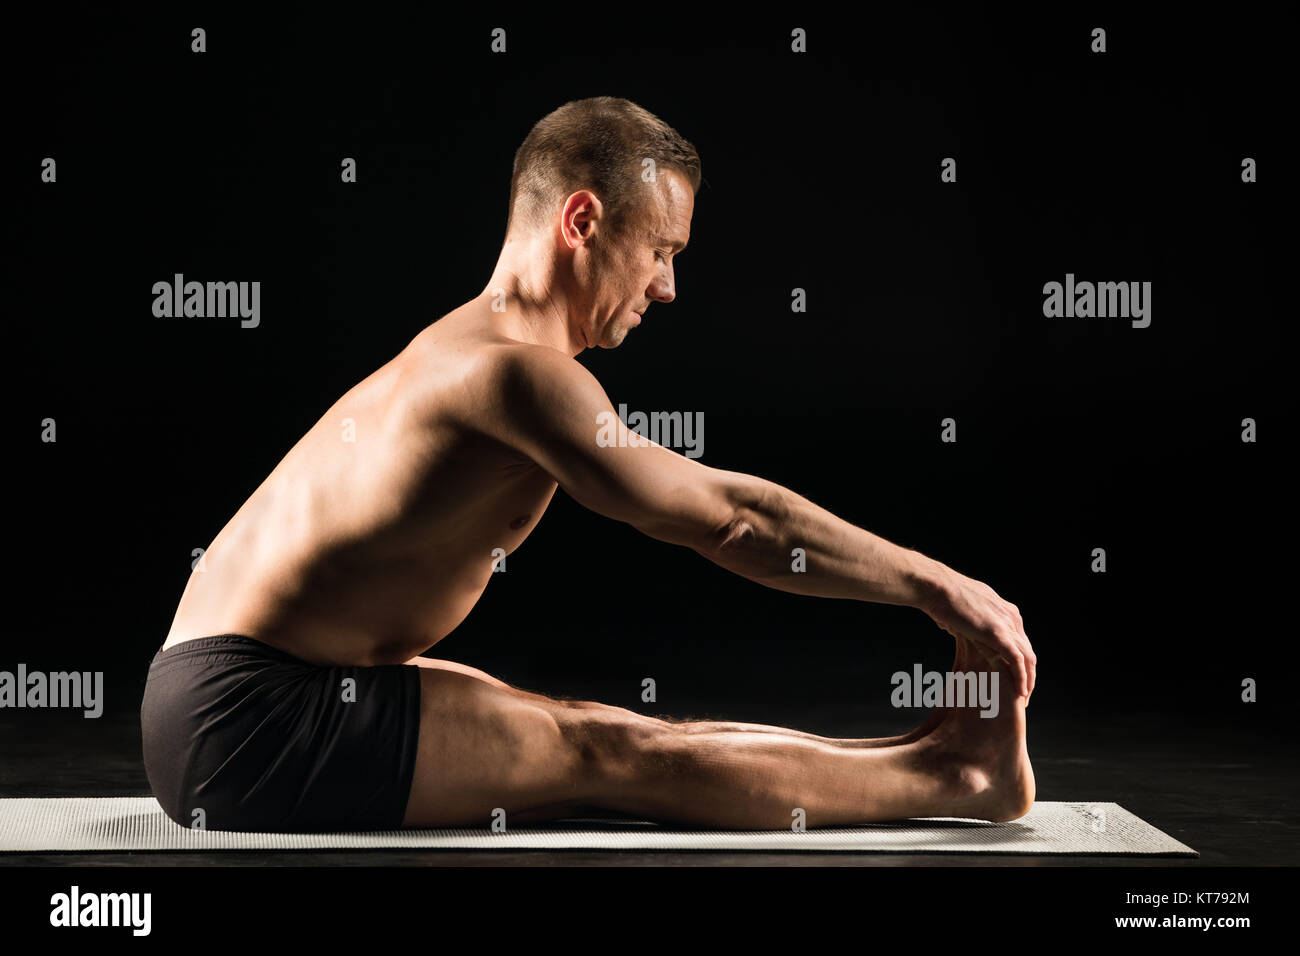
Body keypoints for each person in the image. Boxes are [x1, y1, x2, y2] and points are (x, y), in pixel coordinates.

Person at [141, 96, 1036, 833]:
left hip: (229, 691)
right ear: (582, 219)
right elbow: (734, 521)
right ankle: (952, 780)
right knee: (606, 757)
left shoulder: (464, 345)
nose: (667, 287)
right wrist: (938, 585)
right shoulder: (517, 376)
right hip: (243, 721)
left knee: (599, 729)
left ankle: (941, 758)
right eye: (662, 250)